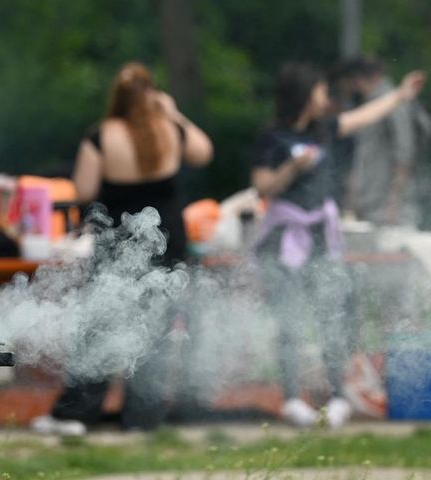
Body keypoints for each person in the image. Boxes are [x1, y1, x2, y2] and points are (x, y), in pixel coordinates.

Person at [36, 61, 214, 436]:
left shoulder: (101, 134)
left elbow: (83, 190)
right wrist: (175, 113)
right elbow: (203, 153)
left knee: (100, 322)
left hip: (117, 240)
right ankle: (142, 417)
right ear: (152, 94)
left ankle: (78, 413)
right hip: (167, 239)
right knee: (155, 325)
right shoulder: (169, 129)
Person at [251, 62, 425, 427]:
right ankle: (291, 398)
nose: (325, 97)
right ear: (302, 94)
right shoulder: (273, 138)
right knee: (290, 320)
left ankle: (336, 395)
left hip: (321, 237)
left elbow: (364, 116)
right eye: (318, 90)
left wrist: (400, 96)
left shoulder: (325, 130)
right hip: (286, 239)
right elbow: (263, 188)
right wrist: (293, 168)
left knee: (332, 317)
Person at [342, 57, 423, 227]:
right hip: (371, 202)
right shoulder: (372, 101)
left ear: (359, 79)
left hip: (391, 208)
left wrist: (393, 202)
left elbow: (404, 153)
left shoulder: (394, 101)